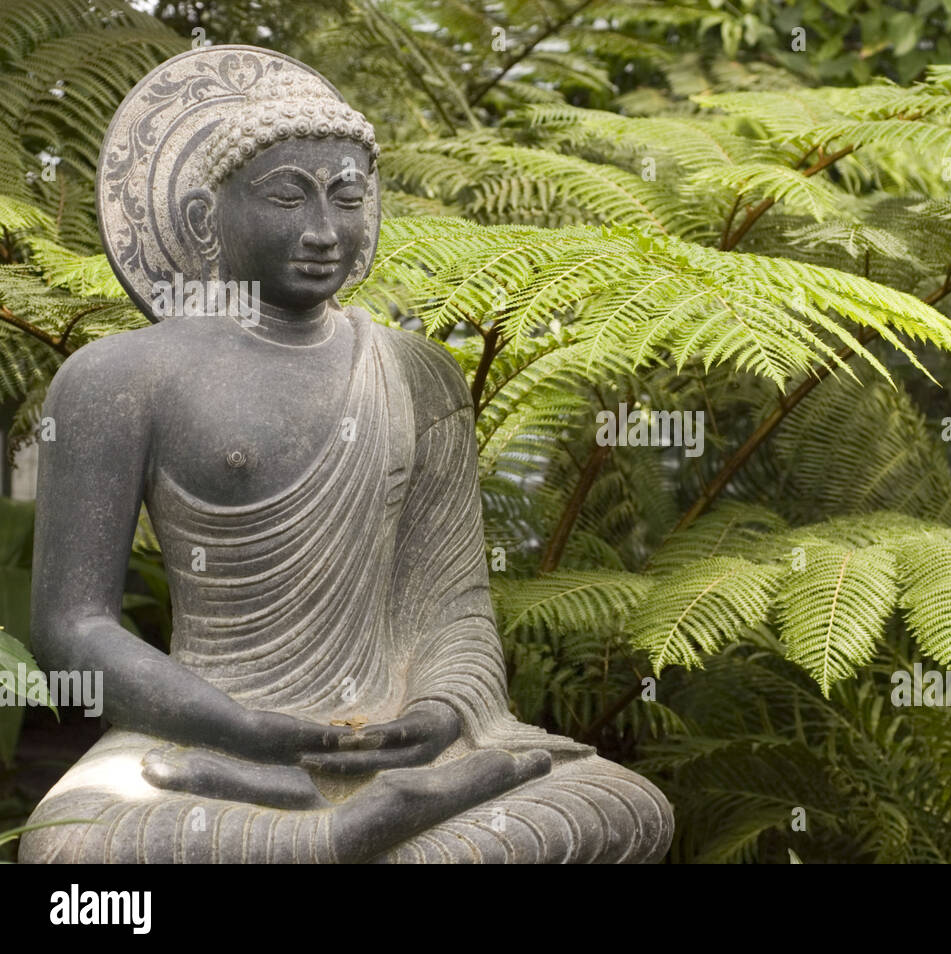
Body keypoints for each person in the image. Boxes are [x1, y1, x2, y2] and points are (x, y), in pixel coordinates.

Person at [18, 47, 671, 864]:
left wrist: (434, 716)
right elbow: (73, 627)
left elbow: (452, 606)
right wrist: (245, 727)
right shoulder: (118, 376)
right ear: (200, 217)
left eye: (349, 199)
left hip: (399, 740)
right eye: (287, 196)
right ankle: (341, 833)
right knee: (74, 852)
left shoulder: (415, 372)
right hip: (204, 737)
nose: (324, 231)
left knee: (624, 805)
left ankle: (344, 828)